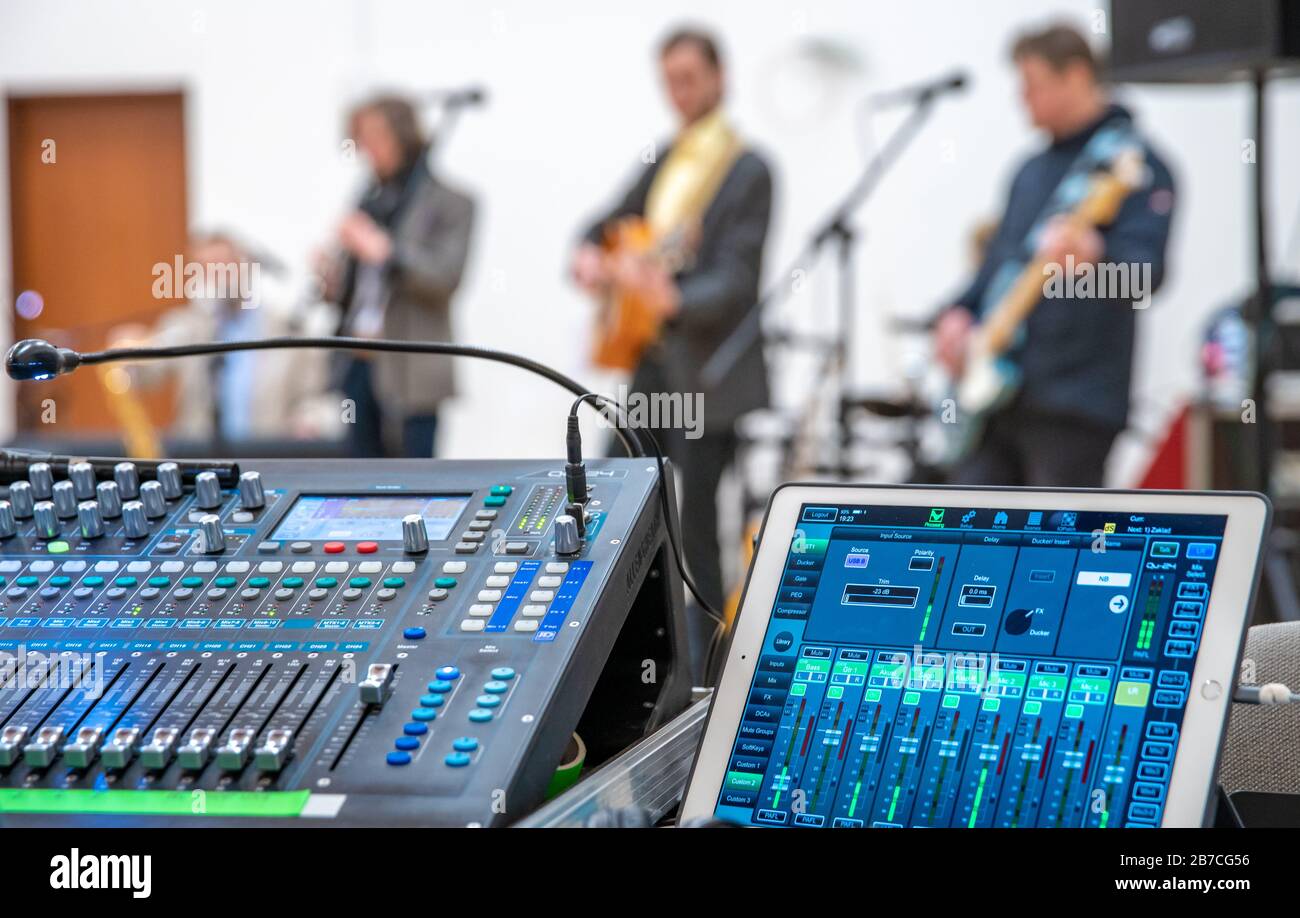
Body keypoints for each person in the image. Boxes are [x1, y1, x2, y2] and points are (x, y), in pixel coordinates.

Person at [571, 27, 773, 612]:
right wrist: (589, 253)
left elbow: (737, 278)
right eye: (670, 81)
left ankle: (709, 670)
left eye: (689, 78)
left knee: (699, 530)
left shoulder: (747, 168)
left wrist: (675, 298)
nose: (679, 92)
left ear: (719, 77)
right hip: (653, 362)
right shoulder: (664, 157)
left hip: (710, 375)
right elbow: (606, 220)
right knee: (605, 495)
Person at [934, 23, 1176, 487]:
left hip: (1074, 406)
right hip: (996, 403)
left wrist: (1096, 261)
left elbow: (1145, 283)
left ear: (1077, 76)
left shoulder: (1139, 166)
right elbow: (997, 267)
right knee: (972, 536)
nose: (1022, 99)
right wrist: (957, 314)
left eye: (1033, 84)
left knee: (1057, 549)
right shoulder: (1030, 171)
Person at [322, 95, 475, 458]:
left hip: (413, 367)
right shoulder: (368, 199)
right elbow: (355, 291)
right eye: (361, 139)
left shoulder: (452, 202)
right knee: (360, 483)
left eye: (375, 137)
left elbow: (445, 279)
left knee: (417, 483)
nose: (366, 149)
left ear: (402, 136)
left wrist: (384, 251)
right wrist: (332, 277)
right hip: (358, 362)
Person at [119, 231, 326, 447]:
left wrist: (308, 421)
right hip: (203, 459)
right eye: (206, 268)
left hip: (270, 456)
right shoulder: (188, 326)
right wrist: (129, 351)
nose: (218, 276)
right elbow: (146, 372)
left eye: (224, 265)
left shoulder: (288, 328)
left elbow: (315, 396)